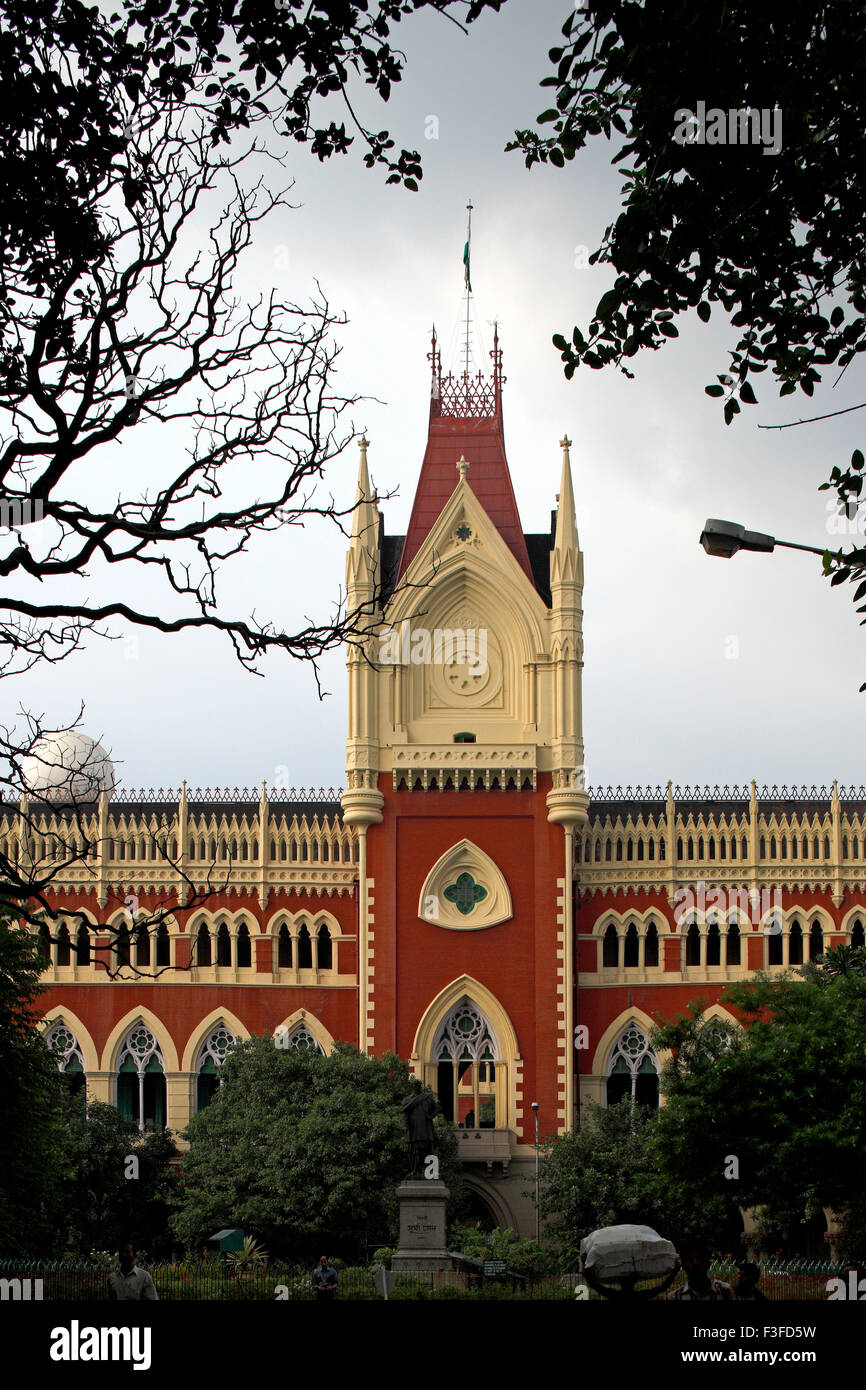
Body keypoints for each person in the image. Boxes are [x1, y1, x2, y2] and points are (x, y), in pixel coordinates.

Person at [665, 1241, 733, 1300]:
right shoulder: (674, 1297)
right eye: (690, 1259)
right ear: (683, 1265)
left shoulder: (725, 1292)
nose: (695, 1263)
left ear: (709, 1263)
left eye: (700, 1258)